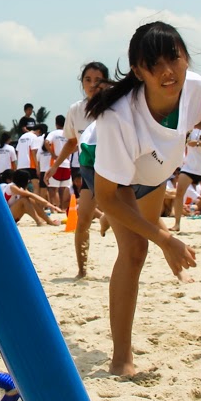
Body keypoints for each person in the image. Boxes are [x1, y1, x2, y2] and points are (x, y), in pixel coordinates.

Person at [87, 21, 201, 379]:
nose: (168, 71)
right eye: (154, 64)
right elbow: (107, 195)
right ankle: (120, 359)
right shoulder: (117, 120)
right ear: (138, 71)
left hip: (153, 171)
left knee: (136, 227)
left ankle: (120, 221)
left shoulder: (194, 86)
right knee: (135, 250)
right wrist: (165, 239)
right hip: (107, 171)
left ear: (185, 58)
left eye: (174, 58)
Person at [59, 62, 110, 279]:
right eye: (87, 80)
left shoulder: (114, 107)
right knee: (82, 220)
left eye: (97, 80)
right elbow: (72, 141)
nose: (92, 85)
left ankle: (108, 216)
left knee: (130, 220)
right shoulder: (76, 110)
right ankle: (82, 270)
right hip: (88, 172)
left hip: (114, 172)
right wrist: (55, 164)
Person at [172, 123, 201, 232]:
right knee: (179, 193)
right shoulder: (189, 128)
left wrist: (198, 143)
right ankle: (177, 224)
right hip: (189, 166)